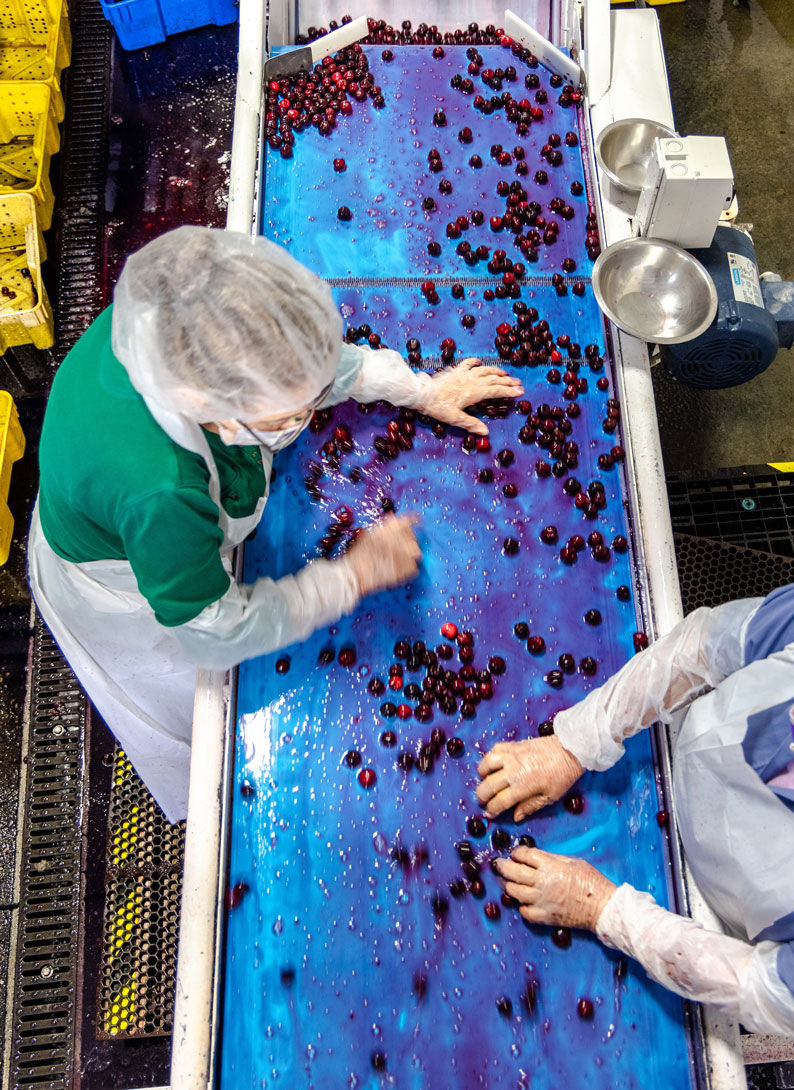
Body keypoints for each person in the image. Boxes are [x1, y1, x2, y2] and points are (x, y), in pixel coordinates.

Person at [29, 226, 523, 823]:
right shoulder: (163, 492)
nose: (306, 413)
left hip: (138, 500)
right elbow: (211, 631)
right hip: (122, 579)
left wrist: (416, 389)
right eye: (288, 414)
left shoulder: (179, 316)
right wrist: (353, 576)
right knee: (190, 708)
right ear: (208, 405)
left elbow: (291, 357)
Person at [477, 574, 794, 1058]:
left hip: (714, 919)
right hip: (675, 748)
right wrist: (575, 744)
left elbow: (754, 987)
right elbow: (701, 648)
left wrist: (603, 909)